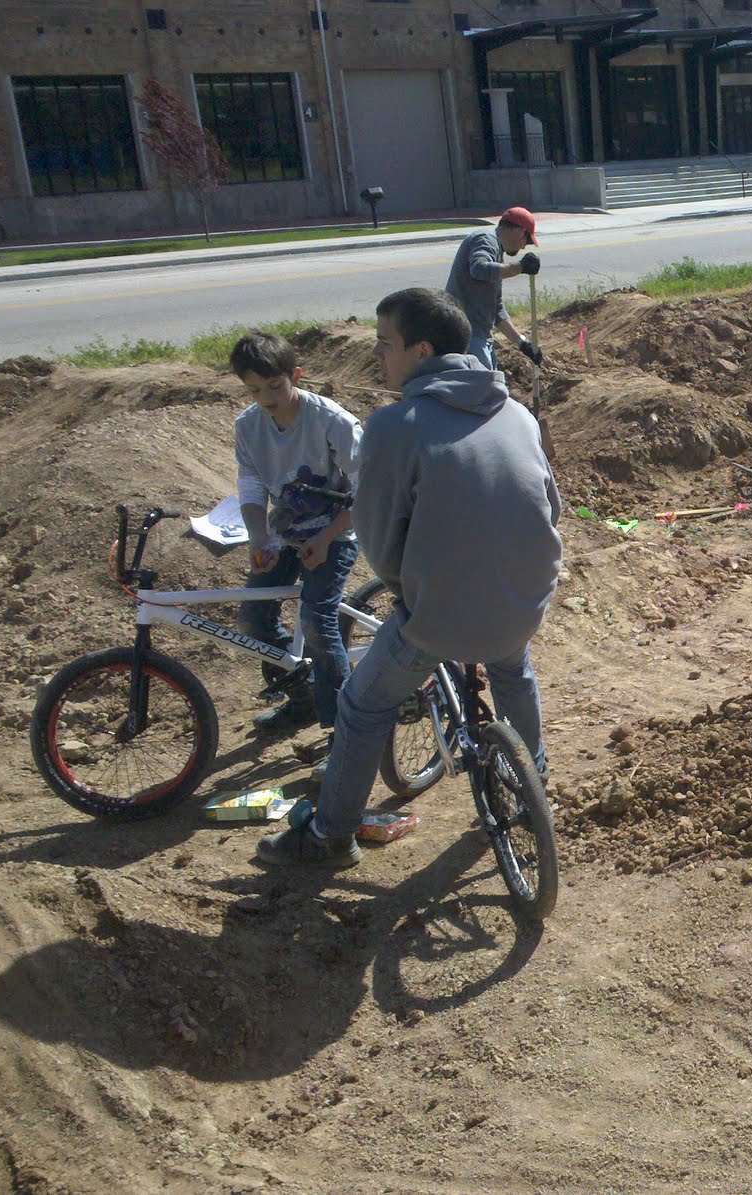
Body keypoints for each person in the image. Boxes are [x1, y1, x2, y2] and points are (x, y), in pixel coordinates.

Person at [257, 287, 561, 869]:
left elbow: (376, 541)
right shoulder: (517, 413)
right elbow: (552, 506)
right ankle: (532, 778)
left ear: (421, 351)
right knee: (510, 663)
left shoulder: (397, 425)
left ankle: (329, 838)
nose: (378, 357)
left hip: (440, 614)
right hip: (527, 597)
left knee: (361, 704)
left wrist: (408, 591)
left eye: (384, 345)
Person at [229, 331, 361, 764]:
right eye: (253, 389)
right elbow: (250, 483)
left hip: (337, 529)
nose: (265, 398)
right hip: (283, 532)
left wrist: (325, 539)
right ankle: (300, 693)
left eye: (275, 386)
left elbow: (369, 490)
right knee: (252, 619)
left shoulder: (332, 421)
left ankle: (343, 732)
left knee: (318, 620)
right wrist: (258, 536)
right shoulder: (248, 426)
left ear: (296, 376)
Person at [444, 205, 544, 370]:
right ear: (520, 230)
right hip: (466, 334)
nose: (524, 247)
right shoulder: (486, 239)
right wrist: (519, 267)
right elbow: (478, 268)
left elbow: (496, 308)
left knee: (492, 388)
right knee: (484, 391)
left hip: (481, 335)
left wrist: (522, 343)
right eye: (527, 240)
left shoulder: (496, 251)